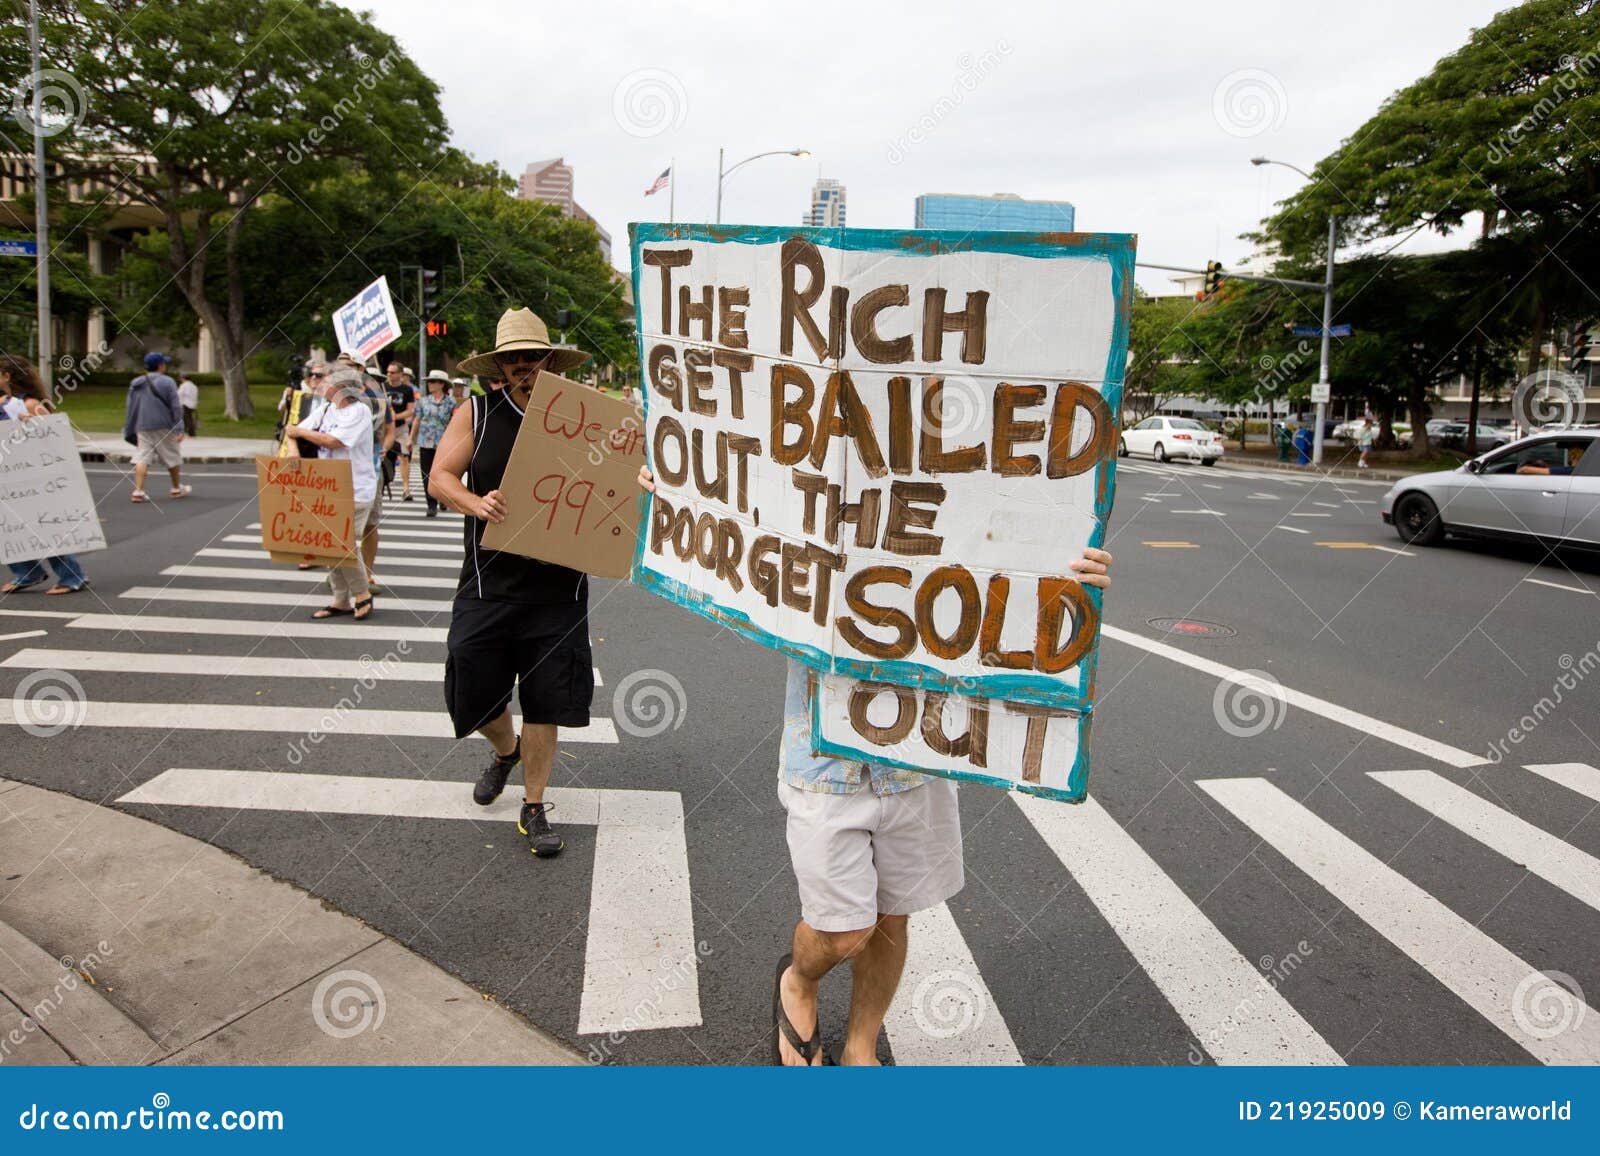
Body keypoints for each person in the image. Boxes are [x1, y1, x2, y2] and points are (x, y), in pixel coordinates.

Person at [635, 461, 1112, 1065]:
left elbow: (1009, 547)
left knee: (892, 918)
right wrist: (680, 497)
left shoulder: (961, 473)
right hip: (826, 757)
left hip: (920, 750)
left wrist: (1069, 568)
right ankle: (798, 981)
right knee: (842, 931)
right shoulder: (811, 465)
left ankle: (861, 1043)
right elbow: (739, 518)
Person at [428, 307, 592, 859]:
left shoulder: (582, 418)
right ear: (499, 364)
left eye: (533, 356)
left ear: (549, 360)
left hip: (557, 590)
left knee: (545, 700)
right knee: (471, 691)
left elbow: (614, 477)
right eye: (513, 357)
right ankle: (505, 751)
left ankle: (534, 804)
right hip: (487, 584)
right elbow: (439, 479)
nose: (523, 365)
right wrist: (477, 502)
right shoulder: (476, 412)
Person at [284, 366, 376, 621]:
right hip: (326, 487)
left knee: (342, 545)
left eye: (326, 382)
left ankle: (361, 593)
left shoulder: (359, 412)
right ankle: (341, 599)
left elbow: (333, 441)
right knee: (328, 545)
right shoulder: (325, 409)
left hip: (355, 487)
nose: (321, 385)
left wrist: (299, 433)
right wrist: (293, 448)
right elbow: (292, 429)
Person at [0, 355, 90, 595]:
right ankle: (27, 572)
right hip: (7, 476)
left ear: (7, 376)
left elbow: (55, 438)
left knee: (44, 526)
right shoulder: (3, 402)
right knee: (7, 528)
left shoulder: (31, 404)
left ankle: (72, 576)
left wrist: (31, 424)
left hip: (35, 477)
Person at [124, 352, 189, 502]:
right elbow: (175, 407)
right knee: (171, 456)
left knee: (143, 456)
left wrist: (130, 426)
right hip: (163, 425)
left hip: (142, 425)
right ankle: (176, 488)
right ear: (160, 365)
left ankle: (138, 490)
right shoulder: (168, 382)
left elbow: (130, 406)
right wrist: (179, 428)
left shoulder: (136, 383)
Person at [360, 364, 395, 589]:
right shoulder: (341, 401)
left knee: (370, 524)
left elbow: (391, 431)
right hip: (345, 469)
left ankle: (366, 572)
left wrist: (385, 448)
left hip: (372, 468)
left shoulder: (382, 404)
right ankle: (340, 571)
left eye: (376, 379)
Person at [411, 369, 457, 517]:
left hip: (443, 443)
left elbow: (454, 422)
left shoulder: (451, 402)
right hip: (425, 442)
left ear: (441, 384)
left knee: (442, 473)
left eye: (432, 381)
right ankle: (431, 504)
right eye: (429, 382)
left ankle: (442, 497)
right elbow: (417, 420)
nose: (429, 384)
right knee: (426, 474)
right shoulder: (423, 401)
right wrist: (410, 438)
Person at [385, 363, 416, 501]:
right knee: (383, 457)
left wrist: (395, 417)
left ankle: (406, 488)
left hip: (400, 428)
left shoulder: (407, 390)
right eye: (388, 372)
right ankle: (382, 484)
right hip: (385, 429)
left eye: (392, 372)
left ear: (400, 374)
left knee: (404, 456)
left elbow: (410, 411)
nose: (389, 374)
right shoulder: (382, 388)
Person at [1517, 443, 1586, 475]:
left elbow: (1524, 470)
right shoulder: (1582, 470)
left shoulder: (1571, 471)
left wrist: (1521, 469)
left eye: (1569, 451)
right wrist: (1546, 466)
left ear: (1574, 455)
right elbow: (1555, 471)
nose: (1568, 454)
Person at [177, 372, 200, 436]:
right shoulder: (194, 386)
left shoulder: (184, 385)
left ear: (183, 378)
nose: (180, 380)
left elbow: (179, 394)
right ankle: (190, 432)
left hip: (185, 404)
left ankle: (190, 433)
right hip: (193, 405)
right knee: (189, 418)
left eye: (181, 378)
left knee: (186, 419)